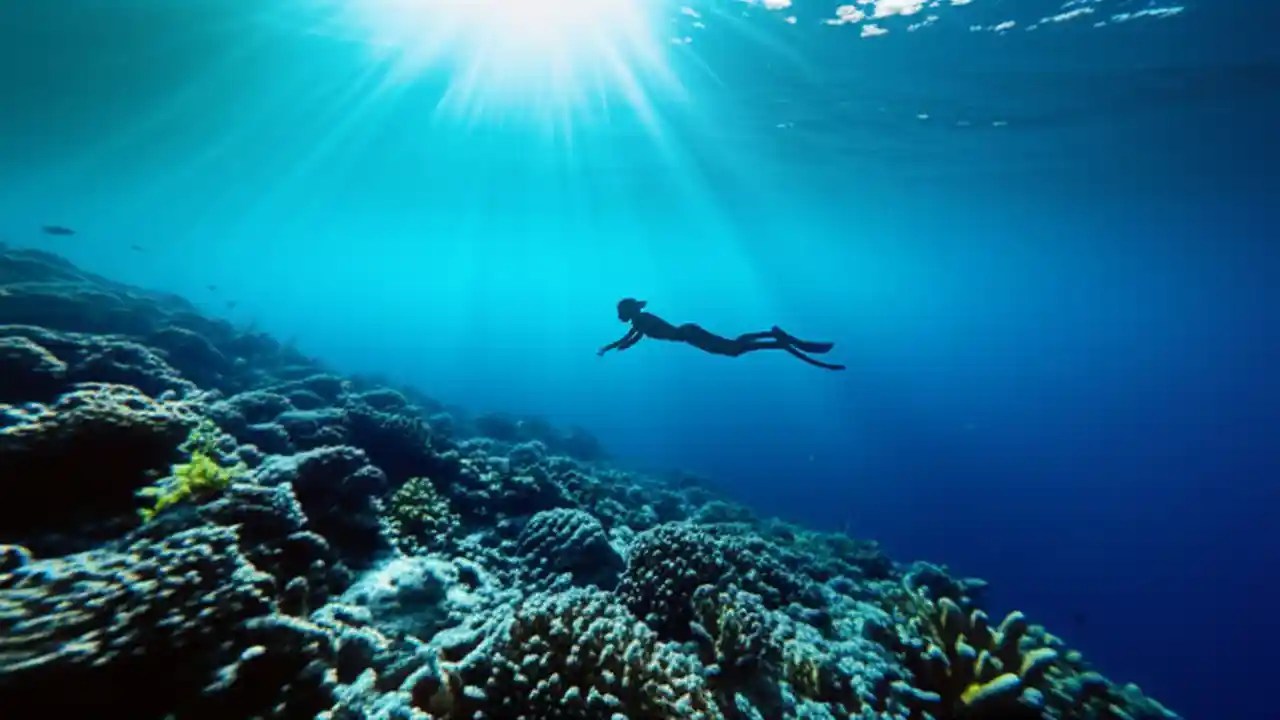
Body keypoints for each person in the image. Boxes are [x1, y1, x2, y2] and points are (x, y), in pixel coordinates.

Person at [598, 298, 845, 371]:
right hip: (689, 334)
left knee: (734, 350)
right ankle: (774, 337)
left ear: (629, 311)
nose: (620, 315)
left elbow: (632, 338)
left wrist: (612, 348)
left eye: (622, 312)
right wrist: (617, 347)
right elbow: (632, 338)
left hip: (689, 335)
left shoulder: (641, 320)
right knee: (735, 347)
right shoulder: (641, 320)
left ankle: (780, 341)